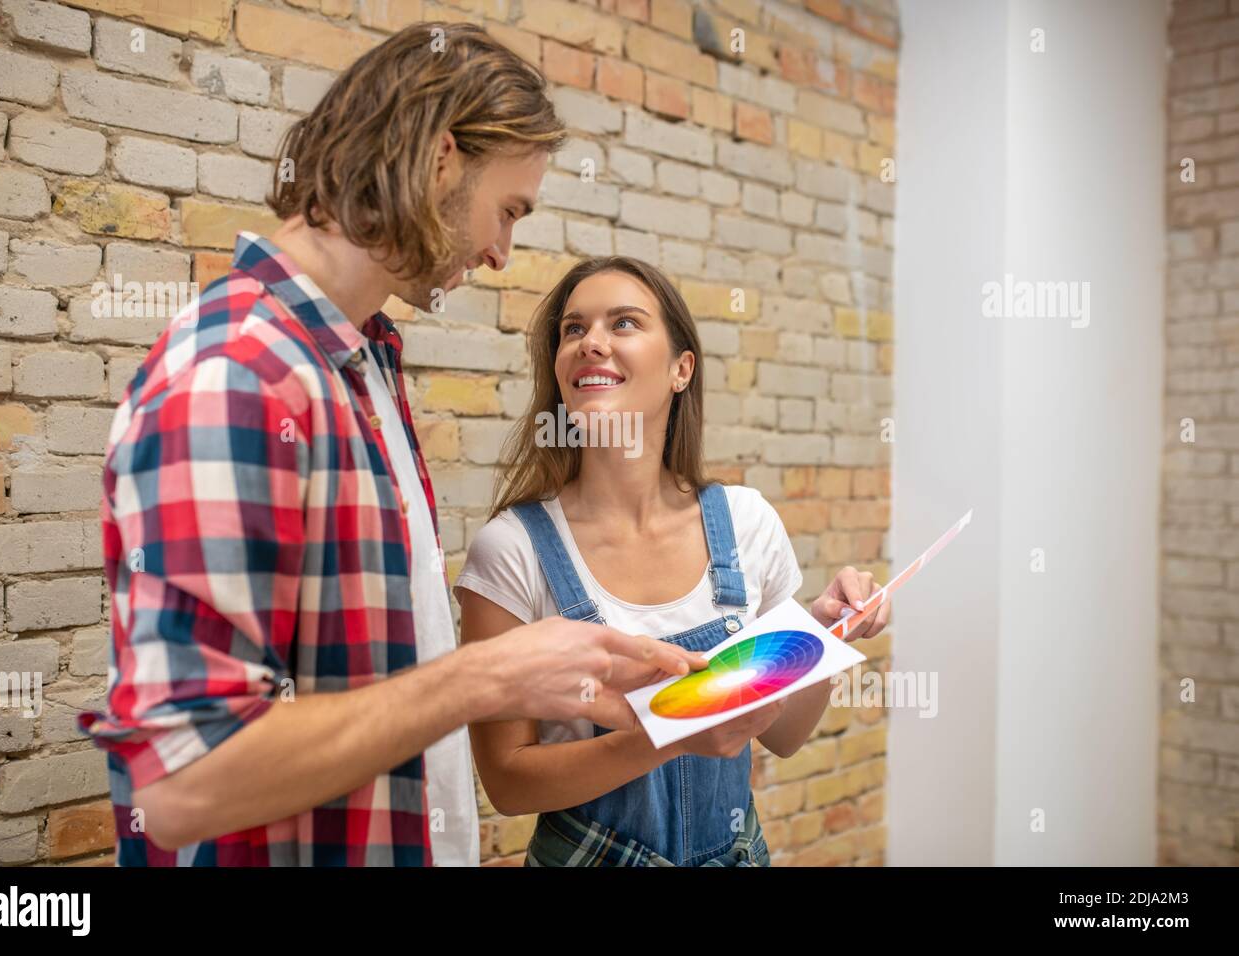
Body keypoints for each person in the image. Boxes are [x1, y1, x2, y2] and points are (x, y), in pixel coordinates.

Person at [79, 22, 706, 867]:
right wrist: (489, 678)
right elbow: (187, 783)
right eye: (508, 211)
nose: (498, 252)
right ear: (442, 159)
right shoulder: (239, 375)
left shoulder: (363, 361)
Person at [454, 256, 890, 866]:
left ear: (681, 369)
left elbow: (785, 736)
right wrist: (670, 733)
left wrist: (823, 633)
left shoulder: (745, 522)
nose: (592, 343)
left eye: (624, 323)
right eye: (573, 330)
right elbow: (508, 783)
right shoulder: (512, 551)